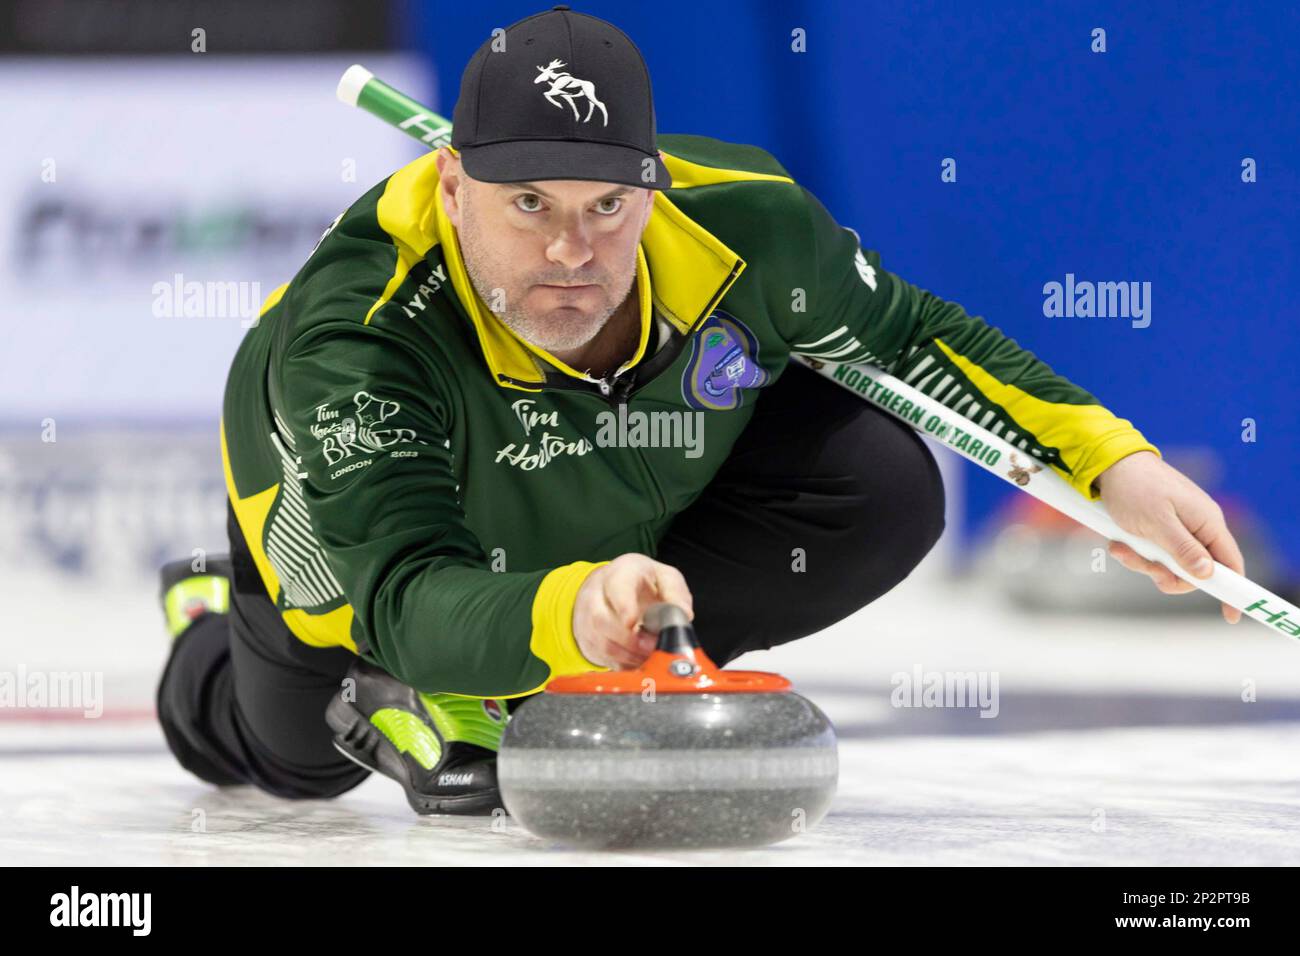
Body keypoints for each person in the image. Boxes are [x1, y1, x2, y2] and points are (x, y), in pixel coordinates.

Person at [156, 5, 1244, 815]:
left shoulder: (743, 229)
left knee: (881, 480)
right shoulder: (362, 332)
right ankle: (207, 625)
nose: (570, 253)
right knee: (292, 756)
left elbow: (918, 342)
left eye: (604, 206)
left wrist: (1113, 468)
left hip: (612, 488)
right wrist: (563, 608)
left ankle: (585, 648)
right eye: (525, 204)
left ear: (652, 186)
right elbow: (398, 589)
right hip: (361, 536)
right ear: (450, 188)